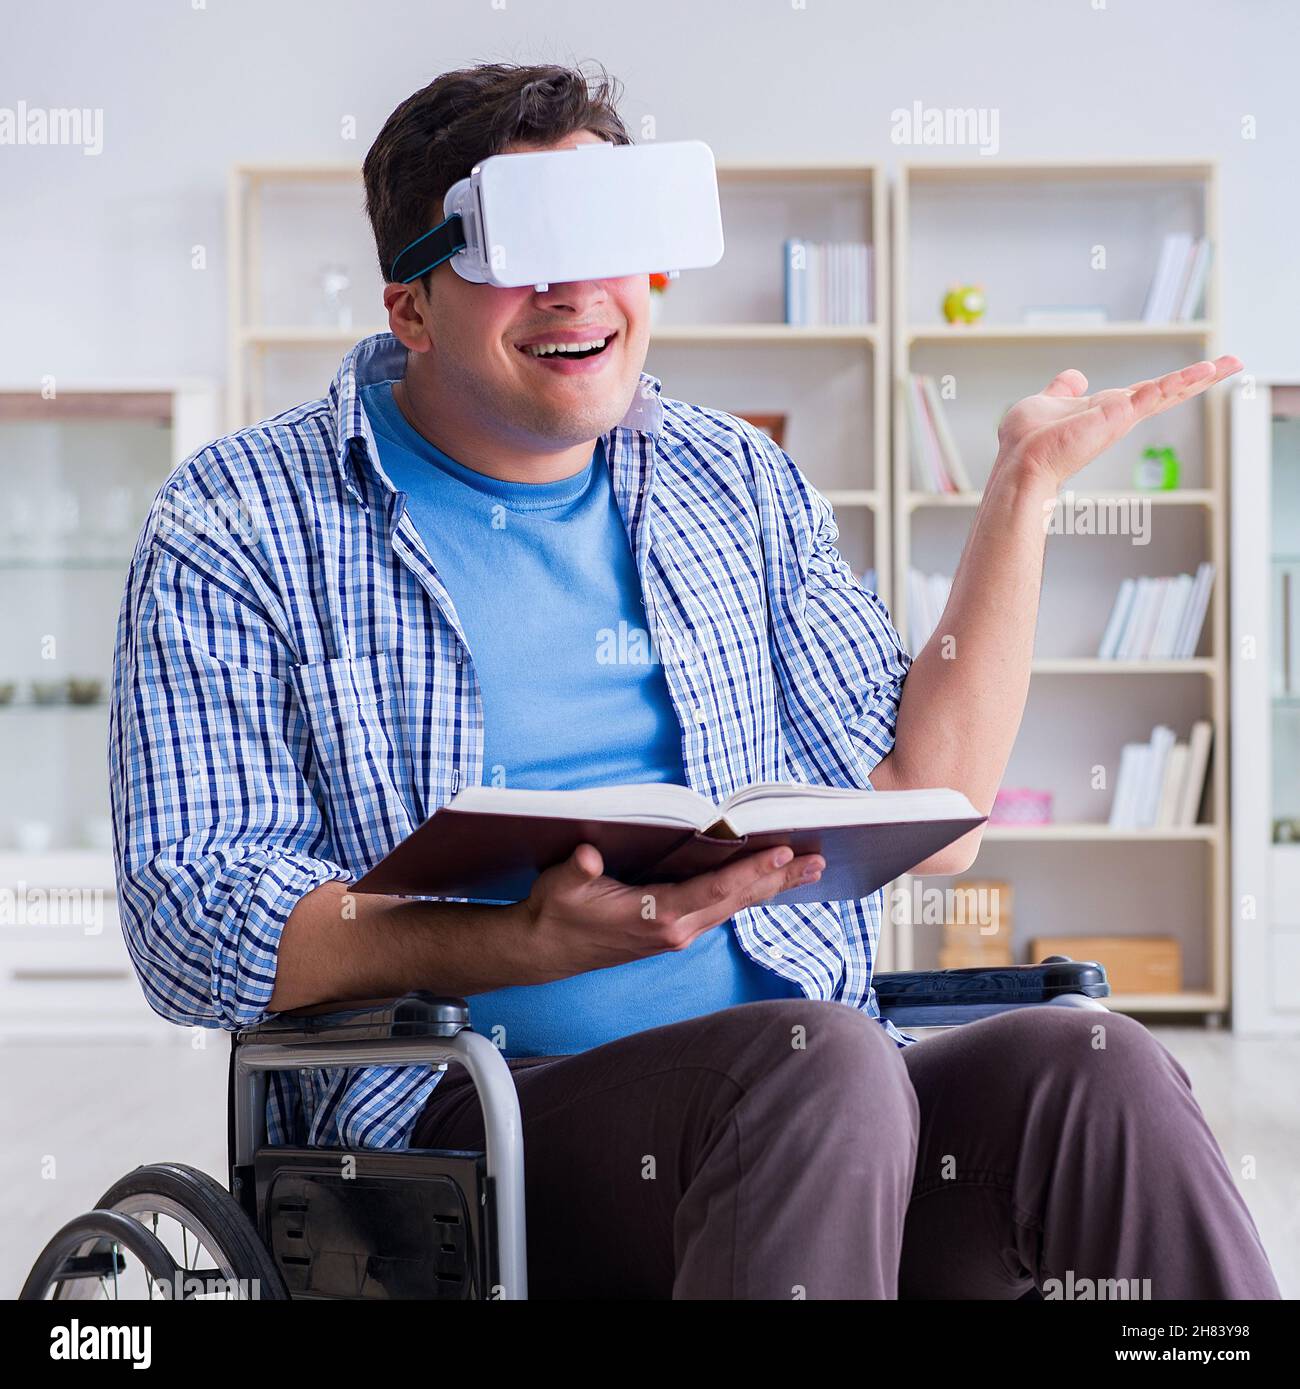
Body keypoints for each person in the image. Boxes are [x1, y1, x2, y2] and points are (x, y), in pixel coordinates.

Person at [110, 61, 1279, 1299]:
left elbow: (930, 813)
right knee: (808, 1061)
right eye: (525, 253)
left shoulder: (733, 480)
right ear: (411, 305)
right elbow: (191, 922)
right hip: (456, 1152)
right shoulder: (236, 521)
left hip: (826, 1119)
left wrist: (1020, 497)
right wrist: (509, 943)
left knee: (1093, 1066)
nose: (577, 293)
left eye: (606, 239)